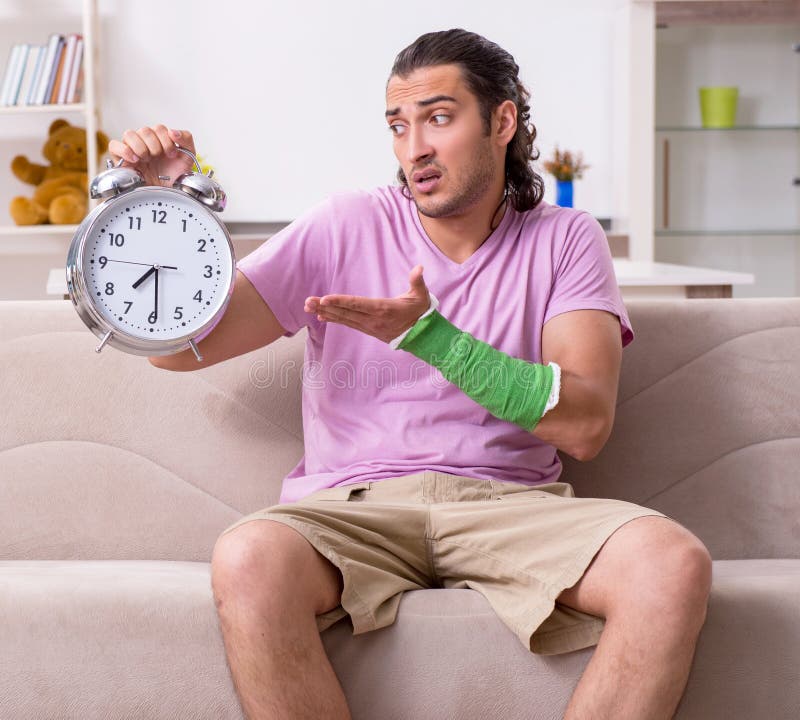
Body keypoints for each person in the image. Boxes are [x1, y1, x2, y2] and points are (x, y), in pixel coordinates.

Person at [109, 28, 712, 720]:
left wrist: (432, 339)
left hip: (508, 505)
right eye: (398, 125)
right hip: (353, 508)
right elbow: (176, 347)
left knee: (671, 564)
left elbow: (584, 423)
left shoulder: (564, 240)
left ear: (503, 120)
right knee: (247, 557)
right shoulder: (345, 224)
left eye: (439, 117)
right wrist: (166, 210)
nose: (414, 147)